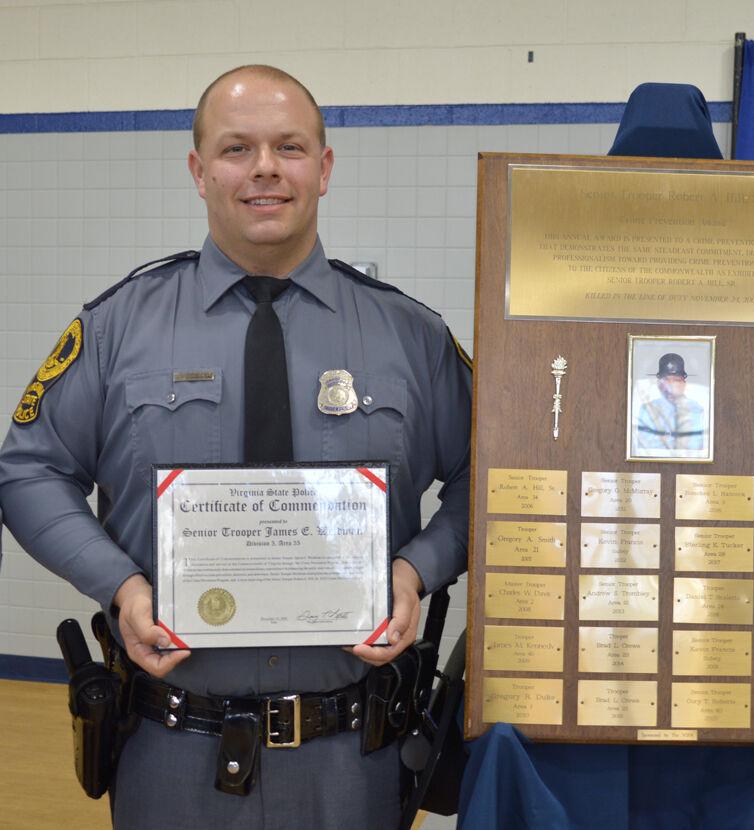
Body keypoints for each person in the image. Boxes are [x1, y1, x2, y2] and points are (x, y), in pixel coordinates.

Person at [0, 65, 472, 829]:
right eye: (235, 148)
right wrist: (122, 588)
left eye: (288, 147)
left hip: (351, 757)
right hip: (172, 748)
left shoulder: (410, 336)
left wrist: (417, 572)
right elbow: (27, 468)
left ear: (323, 168)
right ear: (198, 170)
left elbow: (490, 476)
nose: (263, 169)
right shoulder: (119, 327)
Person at [636, 352, 704, 451]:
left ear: (684, 383)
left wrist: (664, 439)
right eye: (666, 380)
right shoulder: (647, 409)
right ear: (659, 383)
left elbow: (695, 447)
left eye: (676, 380)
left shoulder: (697, 410)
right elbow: (645, 446)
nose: (671, 385)